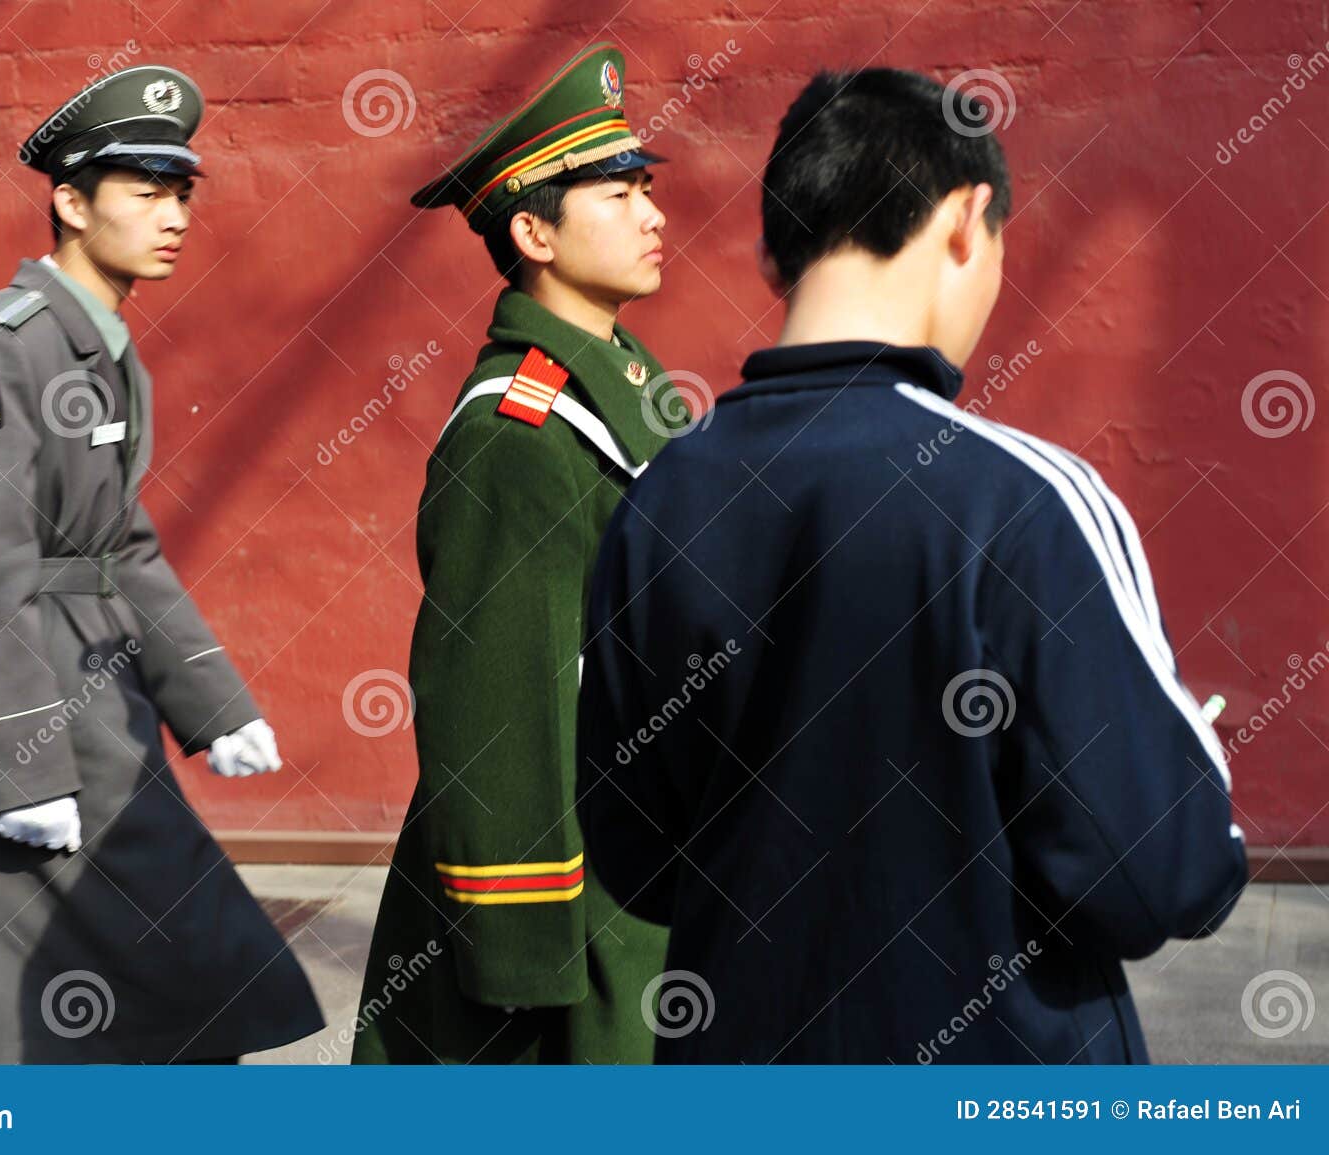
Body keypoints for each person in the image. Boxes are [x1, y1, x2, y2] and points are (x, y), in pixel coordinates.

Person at [576, 68, 1248, 1064]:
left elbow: (634, 857)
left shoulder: (658, 500)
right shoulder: (1019, 502)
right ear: (968, 220)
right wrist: (1181, 752)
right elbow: (1157, 880)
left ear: (773, 253)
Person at [0, 65, 323, 1063]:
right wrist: (22, 763)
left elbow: (120, 547)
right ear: (70, 203)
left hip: (99, 684)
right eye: (143, 191)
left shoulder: (103, 348)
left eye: (180, 193)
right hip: (26, 695)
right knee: (50, 988)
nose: (172, 215)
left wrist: (213, 707)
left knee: (132, 985)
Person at [352, 43, 682, 1064]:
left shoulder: (622, 381)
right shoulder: (518, 435)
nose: (652, 214)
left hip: (647, 865)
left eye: (646, 189)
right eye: (618, 194)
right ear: (533, 230)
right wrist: (522, 955)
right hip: (567, 903)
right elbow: (493, 706)